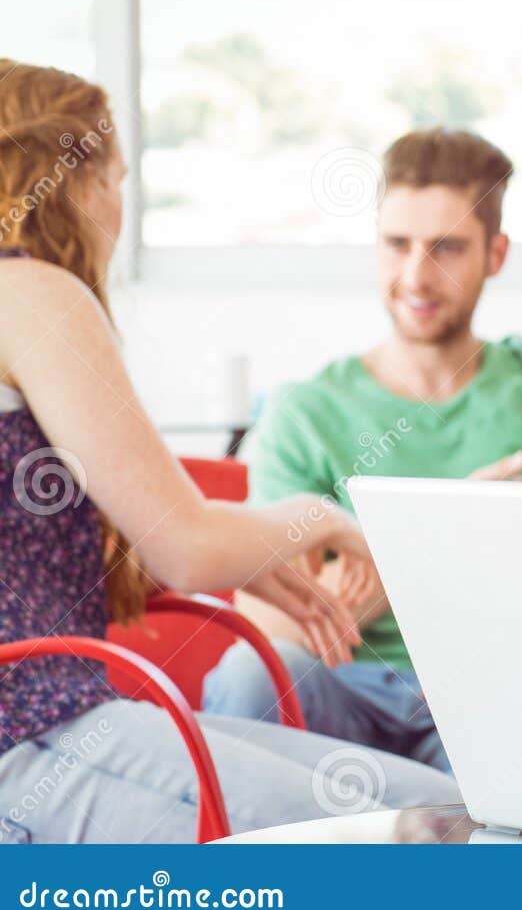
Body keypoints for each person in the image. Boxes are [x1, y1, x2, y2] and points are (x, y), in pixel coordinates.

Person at [0, 60, 455, 842]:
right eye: (116, 180)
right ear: (64, 180)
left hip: (59, 728)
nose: (117, 207)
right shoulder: (28, 290)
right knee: (449, 836)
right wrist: (315, 517)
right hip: (32, 746)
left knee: (457, 815)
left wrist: (250, 549)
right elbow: (189, 548)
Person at [202, 128, 522, 768]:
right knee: (247, 675)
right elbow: (278, 629)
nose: (415, 276)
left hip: (496, 699)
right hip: (340, 692)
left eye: (447, 248)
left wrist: (360, 560)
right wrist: (460, 531)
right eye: (396, 244)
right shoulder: (308, 411)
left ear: (497, 254)